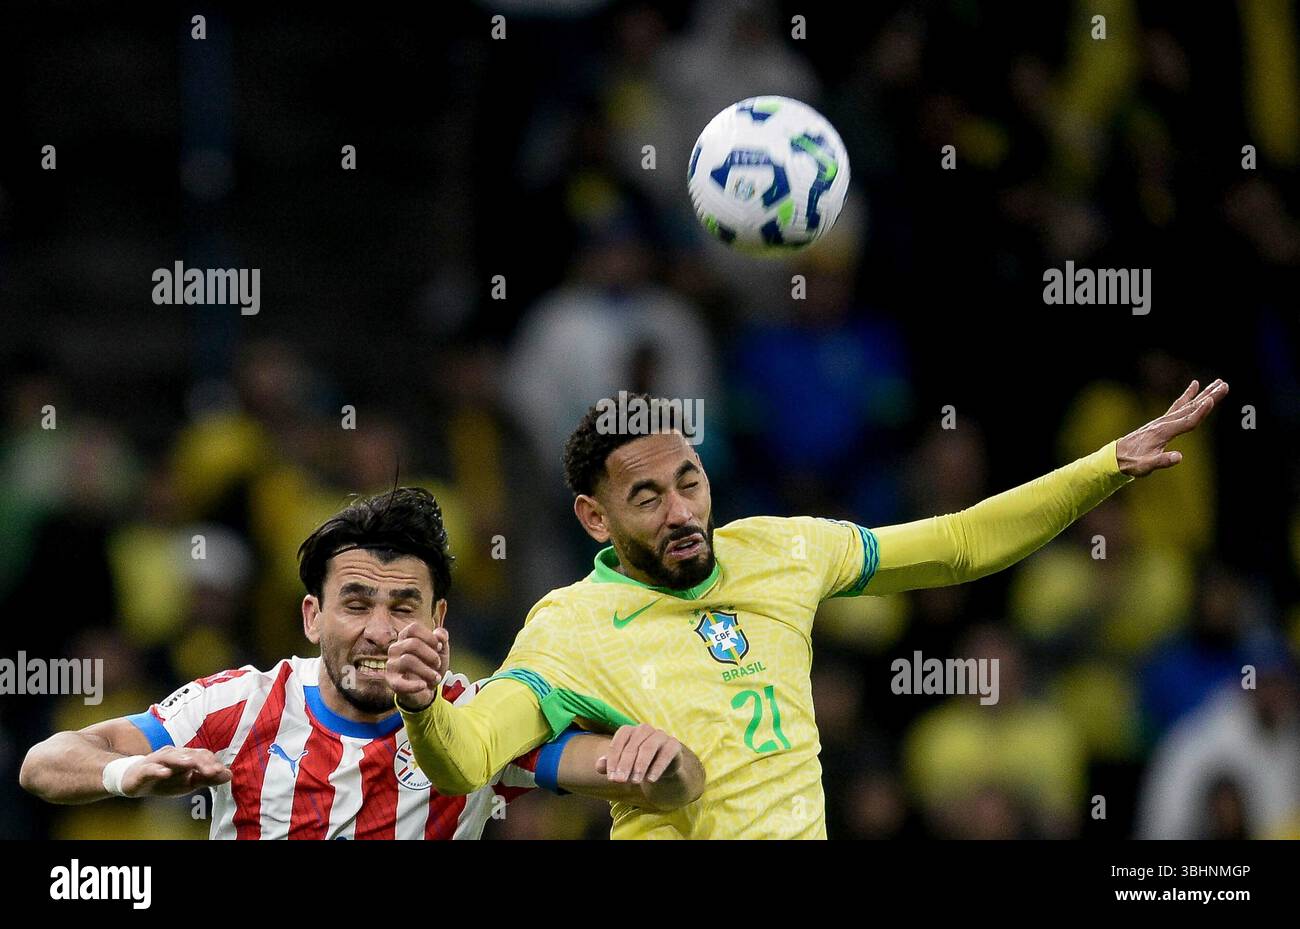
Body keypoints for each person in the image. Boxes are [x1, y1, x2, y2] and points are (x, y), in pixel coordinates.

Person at [389, 379, 1229, 839]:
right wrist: (425, 705)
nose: (682, 511)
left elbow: (960, 544)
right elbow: (470, 758)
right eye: (647, 497)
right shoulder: (568, 626)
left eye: (689, 481)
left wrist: (1106, 465)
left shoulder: (779, 549)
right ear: (593, 517)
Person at [19, 487, 704, 839]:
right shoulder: (239, 705)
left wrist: (661, 762)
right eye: (355, 603)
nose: (379, 631)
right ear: (312, 616)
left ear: (438, 620)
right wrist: (127, 772)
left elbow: (666, 785)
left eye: (404, 606)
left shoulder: (478, 718)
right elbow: (42, 764)